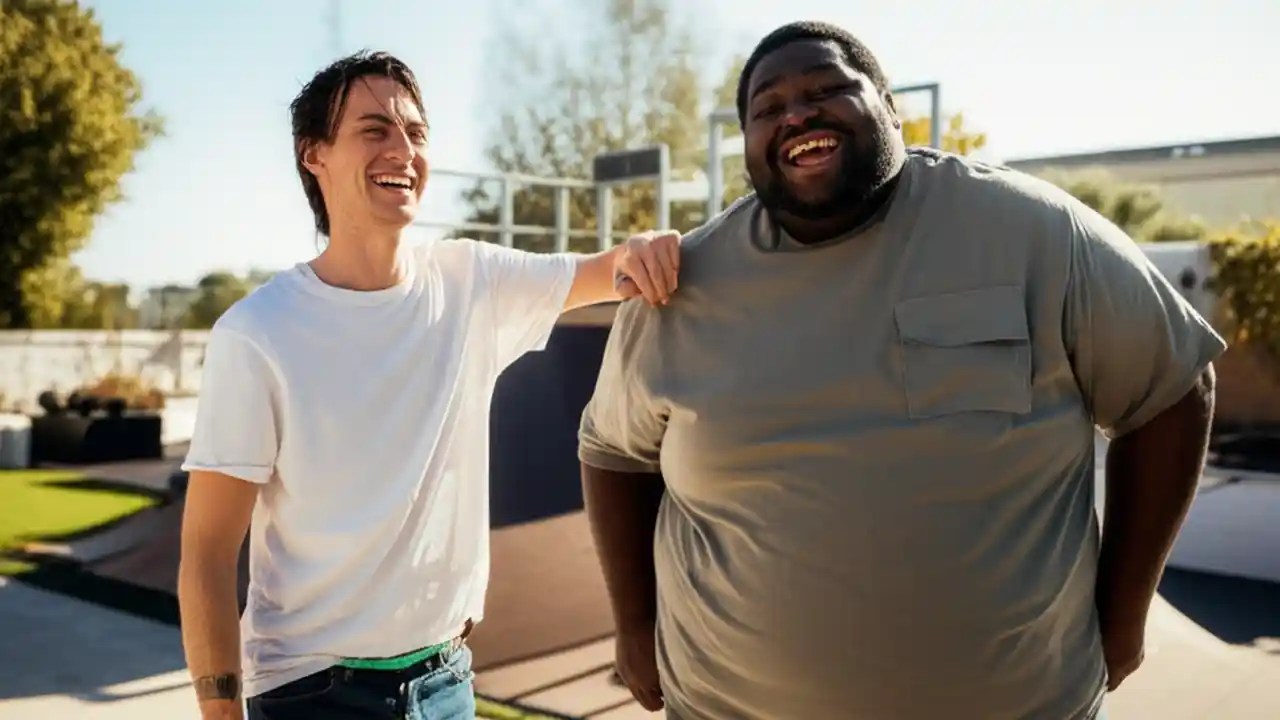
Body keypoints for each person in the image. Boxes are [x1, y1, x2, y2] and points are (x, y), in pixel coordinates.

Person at [578, 20, 1225, 720]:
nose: (797, 113)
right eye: (768, 107)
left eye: (827, 89)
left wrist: (1124, 612)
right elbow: (613, 450)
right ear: (748, 144)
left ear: (888, 106)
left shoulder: (1029, 230)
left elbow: (1174, 389)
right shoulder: (680, 286)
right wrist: (635, 627)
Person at [177, 50, 680, 720]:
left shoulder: (470, 281)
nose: (403, 150)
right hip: (313, 694)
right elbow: (207, 553)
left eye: (416, 133)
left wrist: (644, 247)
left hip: (446, 684)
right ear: (314, 156)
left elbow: (612, 271)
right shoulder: (258, 333)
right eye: (374, 130)